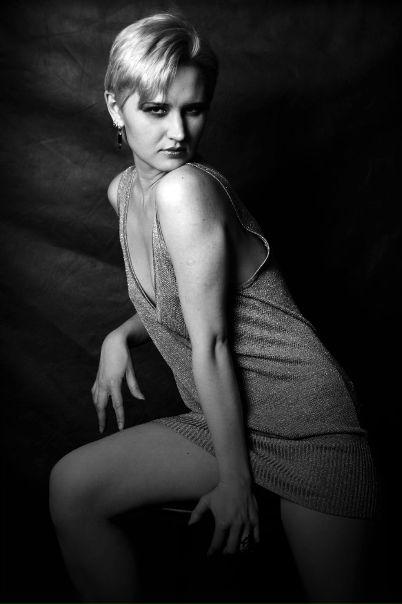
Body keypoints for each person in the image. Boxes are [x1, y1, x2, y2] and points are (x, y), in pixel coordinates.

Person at [49, 12, 377, 604]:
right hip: (227, 419)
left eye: (194, 110)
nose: (178, 131)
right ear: (115, 107)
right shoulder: (124, 192)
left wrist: (234, 482)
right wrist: (120, 336)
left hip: (307, 426)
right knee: (73, 487)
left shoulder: (186, 189)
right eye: (157, 110)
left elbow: (214, 341)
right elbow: (188, 302)